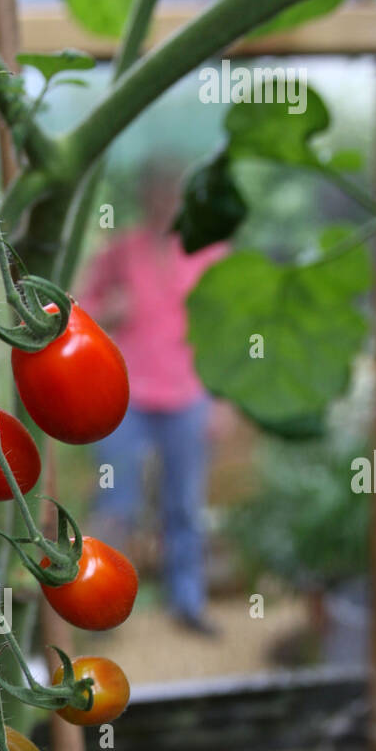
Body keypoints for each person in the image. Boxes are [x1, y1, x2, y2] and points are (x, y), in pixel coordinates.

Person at [80, 163, 225, 636]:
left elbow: (229, 334)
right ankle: (101, 603)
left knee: (184, 504)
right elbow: (78, 314)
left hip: (189, 394)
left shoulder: (209, 254)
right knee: (116, 502)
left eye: (173, 190)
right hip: (126, 397)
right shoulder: (120, 251)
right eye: (155, 188)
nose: (164, 199)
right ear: (144, 193)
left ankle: (187, 603)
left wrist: (221, 400)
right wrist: (109, 310)